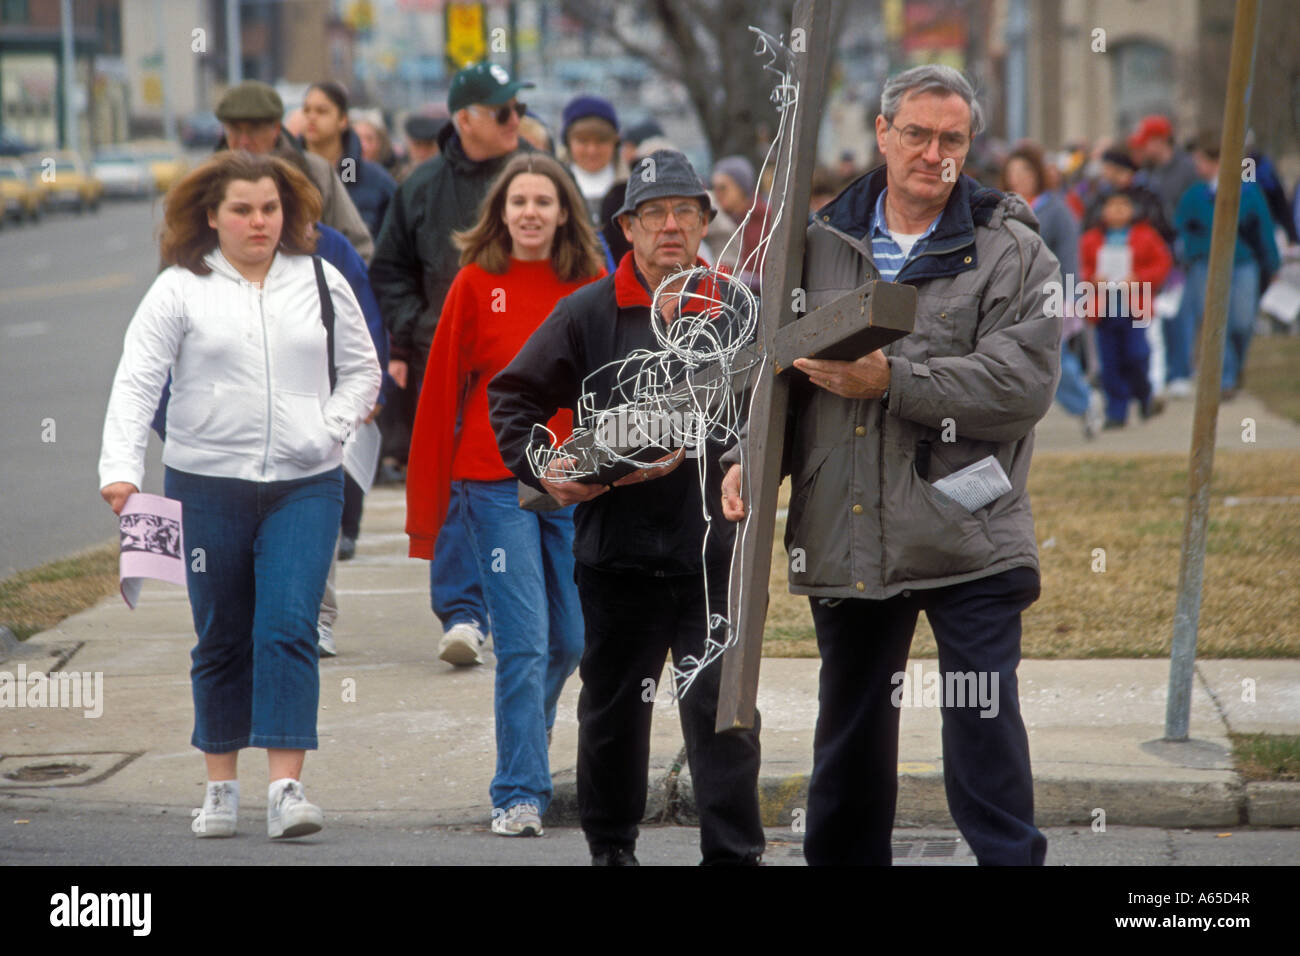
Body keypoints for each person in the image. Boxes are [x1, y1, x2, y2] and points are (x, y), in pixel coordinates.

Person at [721, 65, 1061, 866]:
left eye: (952, 139)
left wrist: (895, 380)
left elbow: (1023, 384)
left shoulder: (1013, 252)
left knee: (982, 723)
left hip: (969, 532)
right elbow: (773, 376)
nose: (933, 153)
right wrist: (751, 458)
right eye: (917, 133)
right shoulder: (813, 246)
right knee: (852, 727)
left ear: (969, 146)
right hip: (849, 526)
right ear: (881, 134)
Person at [489, 149, 765, 866]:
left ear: (707, 220)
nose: (669, 227)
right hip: (614, 555)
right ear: (628, 228)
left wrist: (748, 464)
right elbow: (513, 398)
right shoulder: (587, 311)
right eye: (652, 215)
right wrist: (546, 467)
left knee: (723, 717)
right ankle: (611, 850)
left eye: (684, 212)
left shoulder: (740, 308)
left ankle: (734, 854)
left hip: (713, 555)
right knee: (612, 714)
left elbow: (777, 410)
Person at [98, 151, 380, 840]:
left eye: (270, 209)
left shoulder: (320, 279)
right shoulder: (178, 289)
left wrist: (331, 426)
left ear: (289, 212)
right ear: (212, 217)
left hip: (306, 486)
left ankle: (287, 789)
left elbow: (363, 373)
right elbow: (138, 381)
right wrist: (121, 469)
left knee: (289, 627)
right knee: (220, 634)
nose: (259, 222)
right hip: (204, 486)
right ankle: (219, 786)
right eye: (243, 210)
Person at [406, 153, 605, 836]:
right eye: (517, 201)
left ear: (562, 213)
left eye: (542, 202)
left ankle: (527, 747)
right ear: (501, 212)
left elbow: (610, 388)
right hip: (494, 483)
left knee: (572, 641)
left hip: (572, 480)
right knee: (523, 641)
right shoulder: (474, 283)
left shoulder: (591, 283)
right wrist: (427, 517)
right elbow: (438, 400)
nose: (529, 212)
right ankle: (517, 791)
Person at [370, 61, 536, 666]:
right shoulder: (421, 187)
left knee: (535, 480)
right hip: (448, 366)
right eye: (503, 111)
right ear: (464, 120)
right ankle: (463, 612)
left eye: (518, 108)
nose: (516, 119)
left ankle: (534, 601)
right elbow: (387, 270)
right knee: (455, 483)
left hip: (531, 364)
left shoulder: (538, 177)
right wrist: (419, 330)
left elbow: (578, 256)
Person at [1001, 144, 1103, 438]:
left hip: (1050, 295)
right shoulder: (1005, 207)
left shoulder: (1056, 209)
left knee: (1052, 358)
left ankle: (1084, 401)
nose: (1017, 178)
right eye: (1012, 172)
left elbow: (1070, 257)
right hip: (1012, 297)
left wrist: (1070, 298)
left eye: (1024, 172)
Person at [214, 80, 373, 261]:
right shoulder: (208, 179)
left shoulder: (318, 171)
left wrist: (332, 285)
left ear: (276, 129)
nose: (243, 141)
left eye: (253, 130)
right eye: (234, 130)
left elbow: (359, 247)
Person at [1174, 129, 1280, 399]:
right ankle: (1226, 378)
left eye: (1200, 161)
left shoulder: (1248, 191)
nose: (1196, 167)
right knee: (1213, 321)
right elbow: (1182, 230)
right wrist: (1191, 252)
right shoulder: (1194, 195)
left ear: (1215, 161)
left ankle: (1236, 367)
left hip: (1243, 263)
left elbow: (1263, 229)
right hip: (1205, 265)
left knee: (1242, 321)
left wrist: (1273, 264)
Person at [1080, 189, 1173, 427]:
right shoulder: (1091, 239)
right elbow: (1080, 268)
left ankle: (1144, 394)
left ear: (1132, 210)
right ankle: (1116, 411)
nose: (1117, 211)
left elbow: (1162, 264)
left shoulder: (1145, 235)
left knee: (1137, 354)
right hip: (1104, 310)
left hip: (1134, 308)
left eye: (1123, 205)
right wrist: (1092, 278)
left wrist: (1139, 278)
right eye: (1112, 206)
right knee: (1110, 362)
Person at [301, 81, 397, 239]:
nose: (311, 117)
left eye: (321, 111)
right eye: (306, 110)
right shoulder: (289, 171)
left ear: (343, 120)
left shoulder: (374, 179)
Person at [560, 95, 623, 226]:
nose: (592, 150)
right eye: (582, 141)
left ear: (615, 141)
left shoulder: (632, 186)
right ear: (568, 142)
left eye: (601, 140)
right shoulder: (554, 184)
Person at [711, 155, 770, 292]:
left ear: (742, 188)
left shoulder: (767, 220)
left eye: (723, 188)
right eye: (714, 188)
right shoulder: (718, 221)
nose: (717, 194)